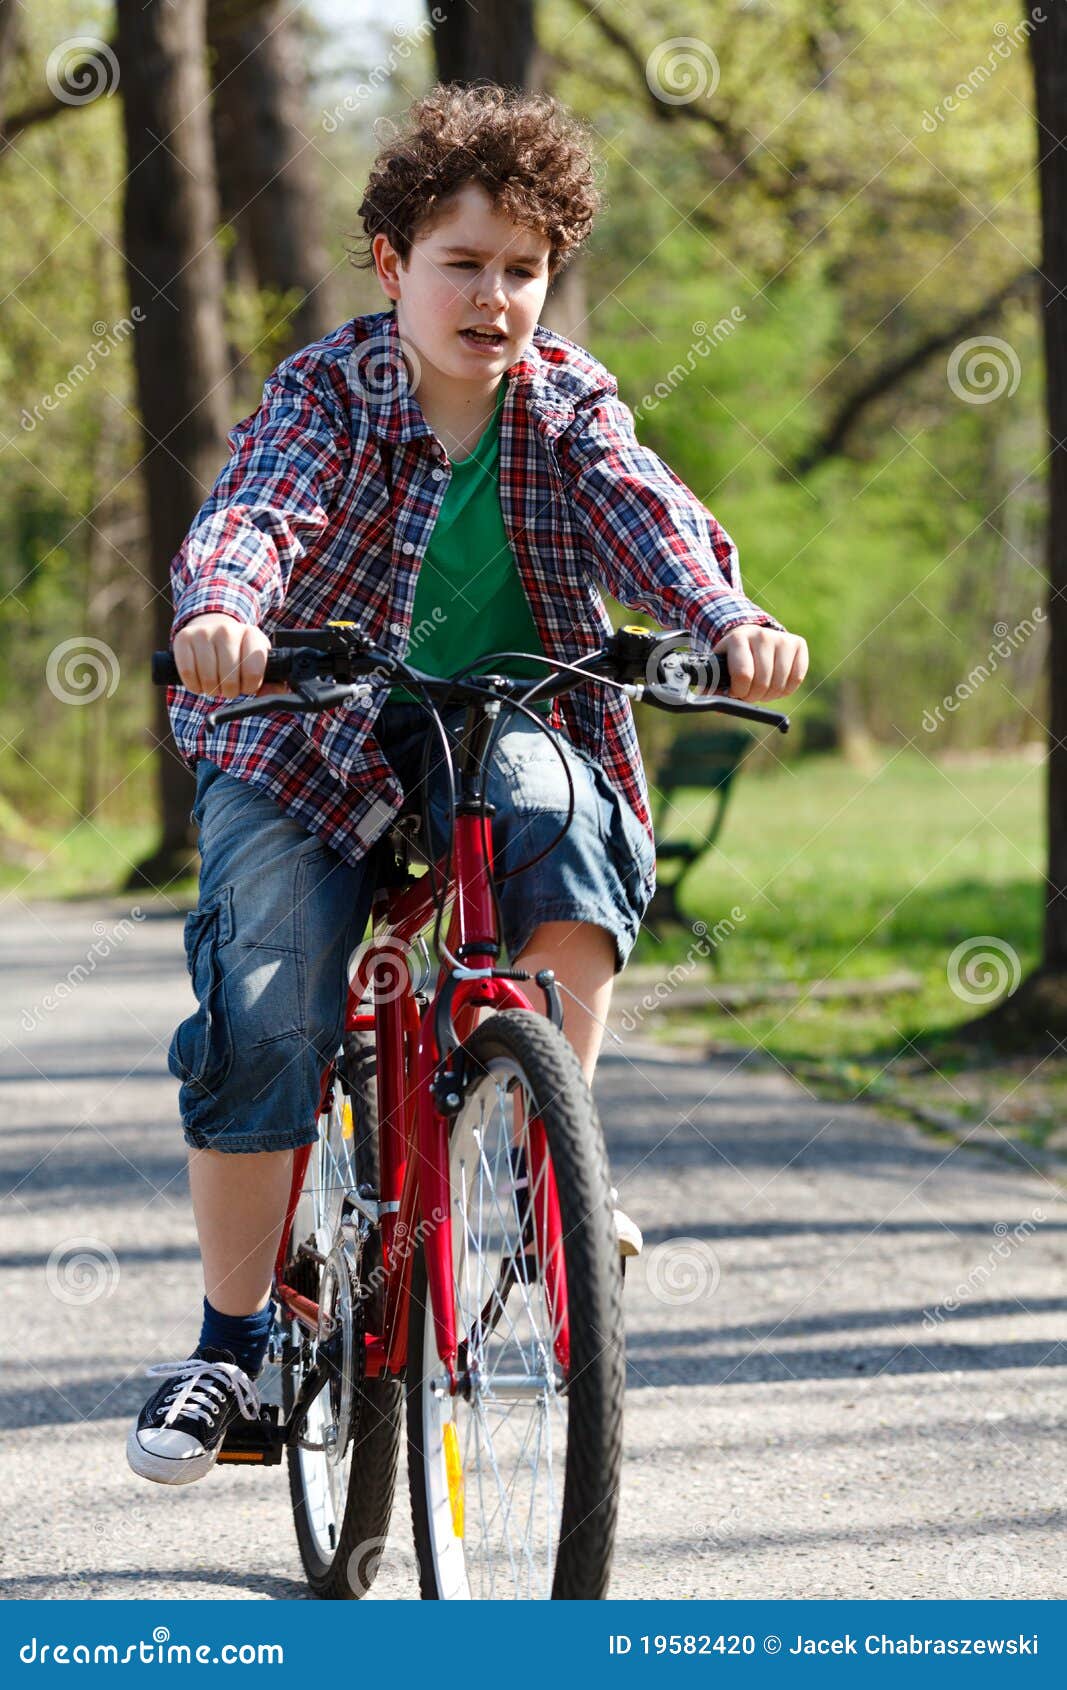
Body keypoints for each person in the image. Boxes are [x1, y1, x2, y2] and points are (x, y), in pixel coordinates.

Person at [128, 82, 808, 1487]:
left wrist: (725, 614)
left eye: (523, 269)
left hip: (499, 729)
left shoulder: (567, 403)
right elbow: (259, 507)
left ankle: (557, 1166)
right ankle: (232, 1345)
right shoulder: (329, 393)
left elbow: (647, 509)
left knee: (566, 818)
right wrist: (226, 614)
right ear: (393, 265)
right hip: (305, 741)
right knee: (271, 1002)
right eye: (463, 263)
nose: (493, 297)